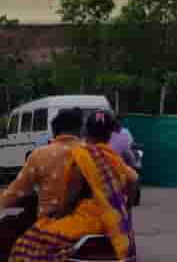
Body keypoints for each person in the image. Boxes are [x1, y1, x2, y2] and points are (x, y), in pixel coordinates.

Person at [9, 110, 138, 262]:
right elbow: (134, 180)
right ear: (109, 135)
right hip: (114, 223)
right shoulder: (113, 157)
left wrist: (57, 215)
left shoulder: (81, 156)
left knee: (27, 241)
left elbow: (70, 198)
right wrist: (125, 208)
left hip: (87, 220)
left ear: (85, 131)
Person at [0, 108, 83, 219]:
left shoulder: (40, 155)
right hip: (92, 226)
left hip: (49, 228)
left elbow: (15, 193)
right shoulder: (93, 153)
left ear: (54, 131)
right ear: (80, 130)